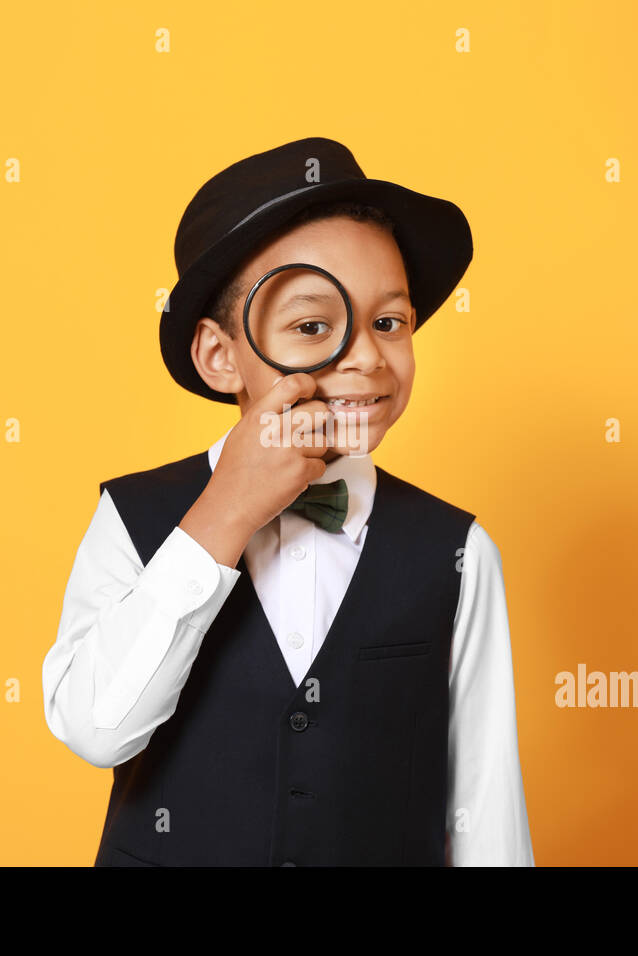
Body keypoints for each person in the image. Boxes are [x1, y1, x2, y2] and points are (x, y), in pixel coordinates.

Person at [42, 136, 534, 866]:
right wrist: (223, 516)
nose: (366, 356)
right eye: (314, 326)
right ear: (220, 357)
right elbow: (96, 728)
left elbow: (487, 811)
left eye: (389, 323)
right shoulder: (132, 517)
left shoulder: (459, 551)